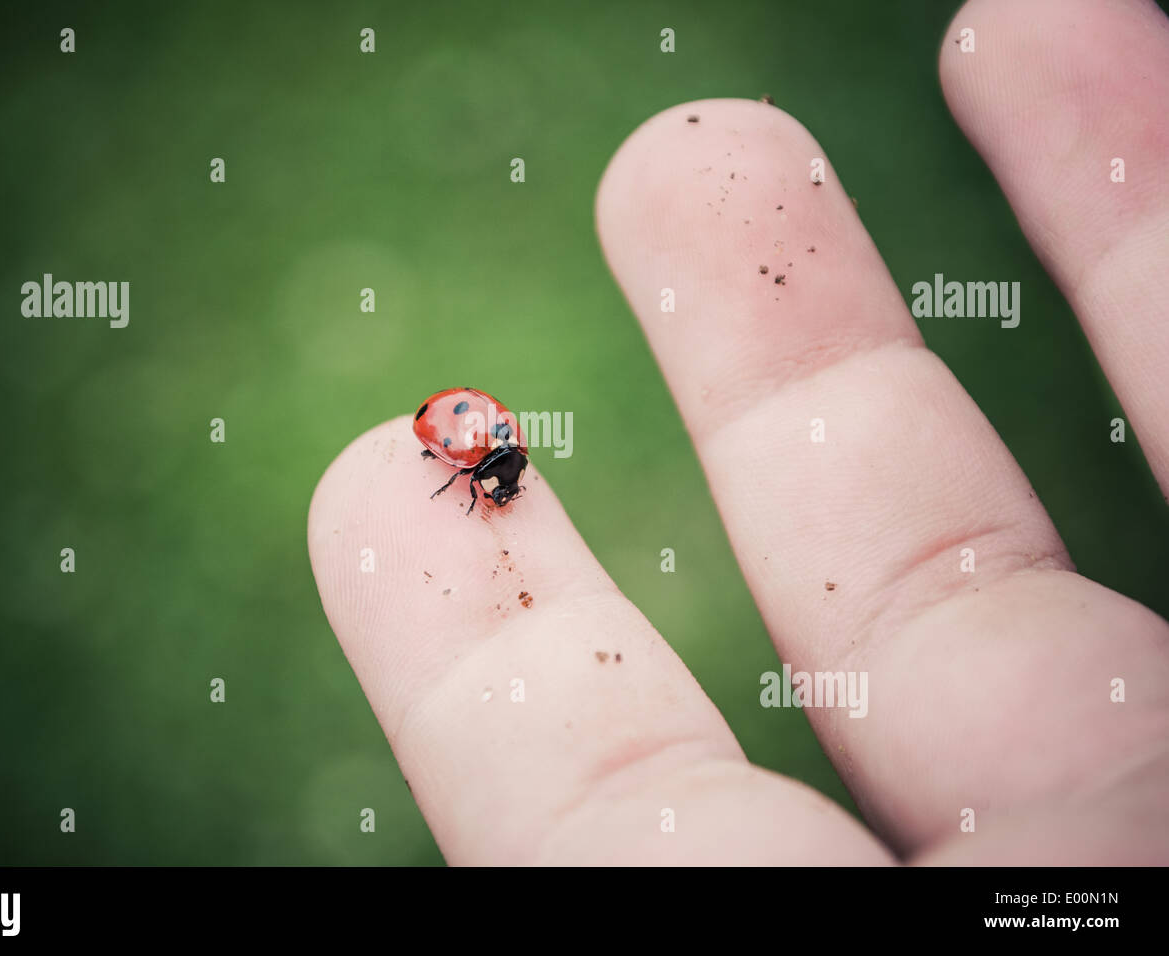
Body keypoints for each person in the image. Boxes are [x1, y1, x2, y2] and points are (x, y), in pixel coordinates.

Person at [307, 0, 1169, 864]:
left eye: (499, 479)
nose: (500, 485)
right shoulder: (468, 440)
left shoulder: (480, 446)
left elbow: (465, 440)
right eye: (497, 480)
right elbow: (451, 431)